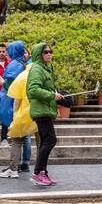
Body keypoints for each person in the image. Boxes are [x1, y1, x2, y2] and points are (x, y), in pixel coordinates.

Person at [26, 42, 71, 186]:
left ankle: (42, 172)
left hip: (45, 109)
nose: (49, 54)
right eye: (46, 52)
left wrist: (56, 96)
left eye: (50, 52)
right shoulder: (37, 69)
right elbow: (33, 90)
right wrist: (52, 95)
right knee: (50, 140)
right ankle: (38, 173)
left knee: (47, 141)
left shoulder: (45, 69)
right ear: (39, 54)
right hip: (41, 110)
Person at [0, 43, 33, 179]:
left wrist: (2, 83)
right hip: (26, 102)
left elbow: (11, 86)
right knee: (26, 134)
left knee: (16, 136)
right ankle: (25, 163)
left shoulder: (13, 65)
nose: (6, 53)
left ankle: (13, 167)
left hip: (14, 103)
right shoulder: (27, 63)